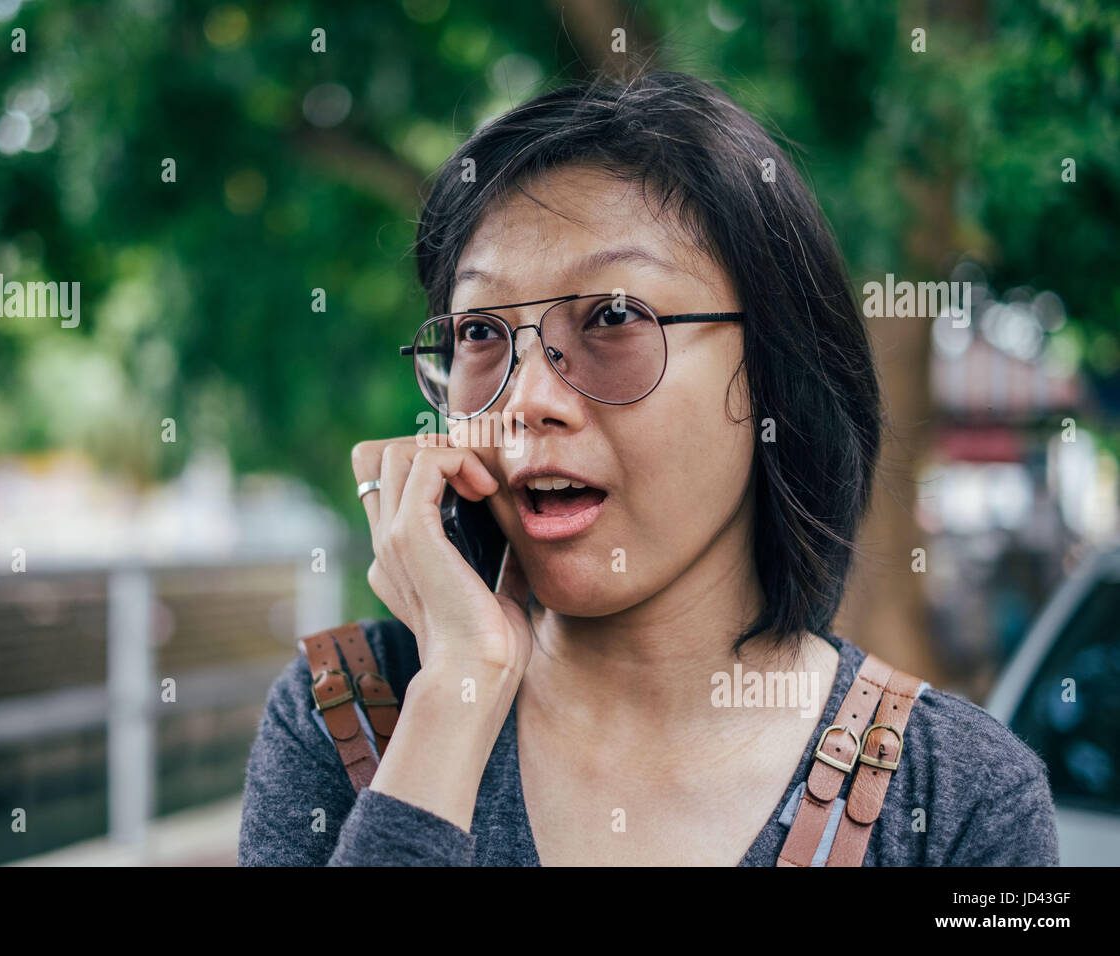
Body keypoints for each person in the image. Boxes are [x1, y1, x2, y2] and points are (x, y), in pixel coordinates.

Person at [238, 71, 1059, 866]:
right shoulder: (346, 715)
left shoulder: (958, 803)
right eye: (482, 332)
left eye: (613, 316)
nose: (526, 399)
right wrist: (454, 698)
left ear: (774, 366)